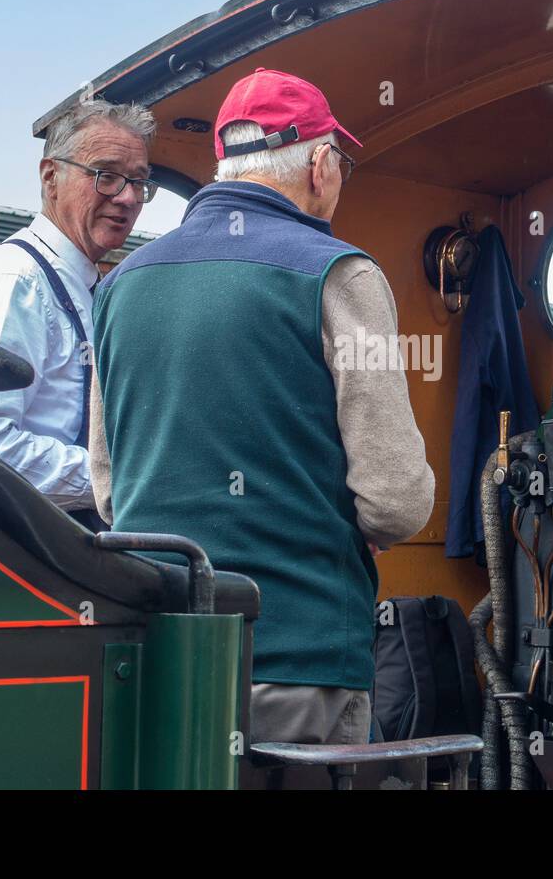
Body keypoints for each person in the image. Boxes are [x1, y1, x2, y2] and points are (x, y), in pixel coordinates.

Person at [90, 68, 434, 745]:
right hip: (301, 660)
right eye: (343, 161)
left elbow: (109, 491)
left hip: (161, 652)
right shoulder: (342, 275)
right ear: (319, 164)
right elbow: (395, 499)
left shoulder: (120, 286)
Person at [0, 99, 156, 529]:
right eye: (107, 176)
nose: (128, 197)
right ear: (50, 177)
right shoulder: (15, 279)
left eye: (139, 182)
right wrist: (124, 476)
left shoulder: (87, 284)